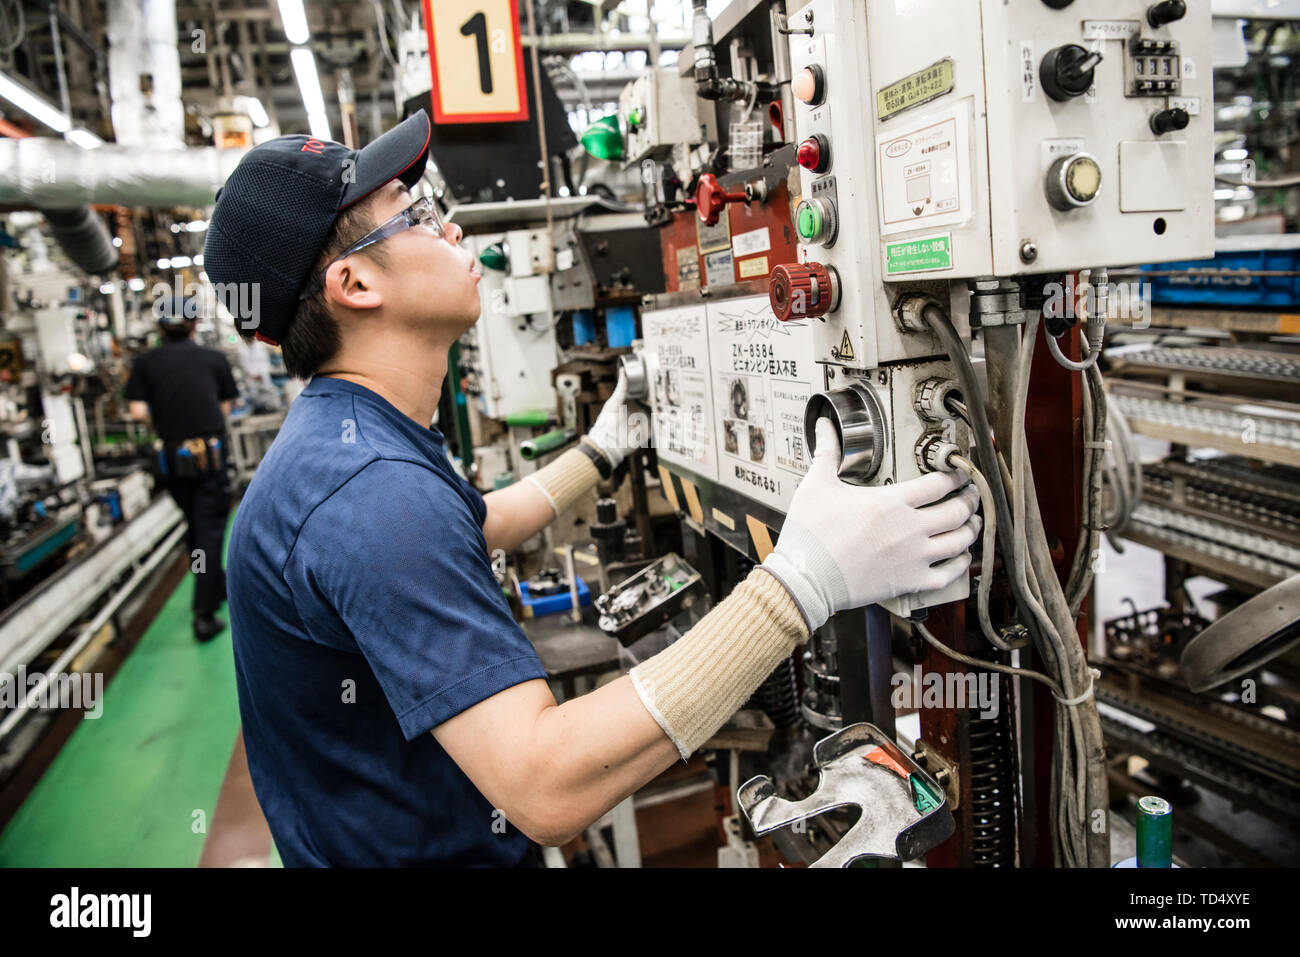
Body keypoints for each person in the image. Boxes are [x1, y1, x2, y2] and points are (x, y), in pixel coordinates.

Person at [203, 110, 980, 867]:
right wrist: (805, 581)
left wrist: (603, 449)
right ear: (354, 282)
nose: (453, 231)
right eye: (418, 214)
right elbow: (543, 785)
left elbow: (474, 525)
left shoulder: (349, 438)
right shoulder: (367, 493)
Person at [127, 299, 239, 642]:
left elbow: (136, 412)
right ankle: (203, 614)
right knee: (208, 531)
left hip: (171, 461)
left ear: (159, 327)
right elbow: (225, 406)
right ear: (195, 324)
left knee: (195, 526)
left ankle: (214, 584)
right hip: (208, 457)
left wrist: (163, 420)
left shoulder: (145, 363)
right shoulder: (213, 358)